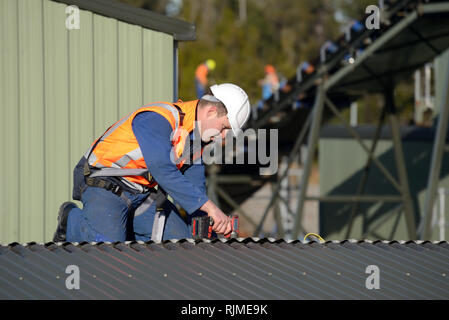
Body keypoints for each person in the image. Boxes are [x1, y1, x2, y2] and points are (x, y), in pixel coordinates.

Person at [53, 83, 251, 242]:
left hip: (141, 195)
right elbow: (162, 171)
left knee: (180, 246)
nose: (221, 137)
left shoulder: (196, 141)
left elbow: (195, 190)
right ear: (211, 111)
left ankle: (122, 228)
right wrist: (213, 209)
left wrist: (202, 238)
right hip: (103, 184)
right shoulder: (157, 118)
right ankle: (70, 219)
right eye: (224, 128)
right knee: (107, 250)